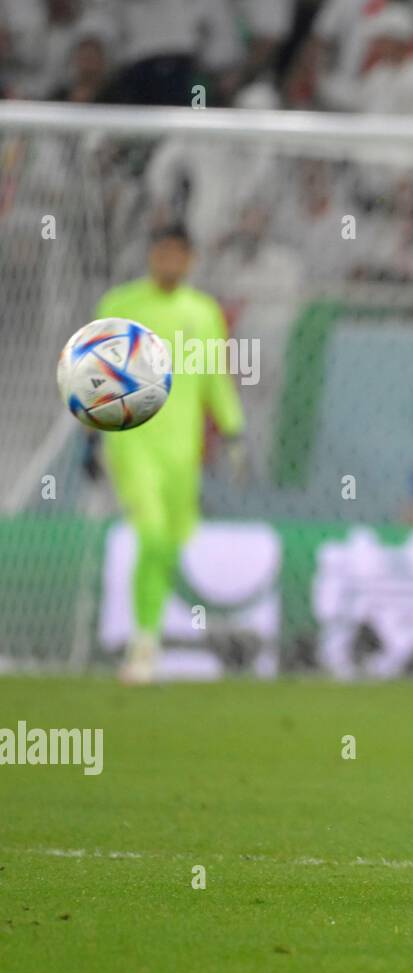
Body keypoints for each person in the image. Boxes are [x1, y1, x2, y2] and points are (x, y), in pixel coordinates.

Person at [95, 223, 245, 684]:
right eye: (163, 252)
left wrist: (234, 432)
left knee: (170, 545)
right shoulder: (120, 305)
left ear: (191, 260)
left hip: (182, 452)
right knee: (154, 536)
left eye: (179, 254)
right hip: (132, 443)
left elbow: (214, 380)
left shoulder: (204, 312)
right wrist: (90, 434)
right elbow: (91, 373)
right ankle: (143, 643)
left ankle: (149, 639)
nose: (170, 261)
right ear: (150, 255)